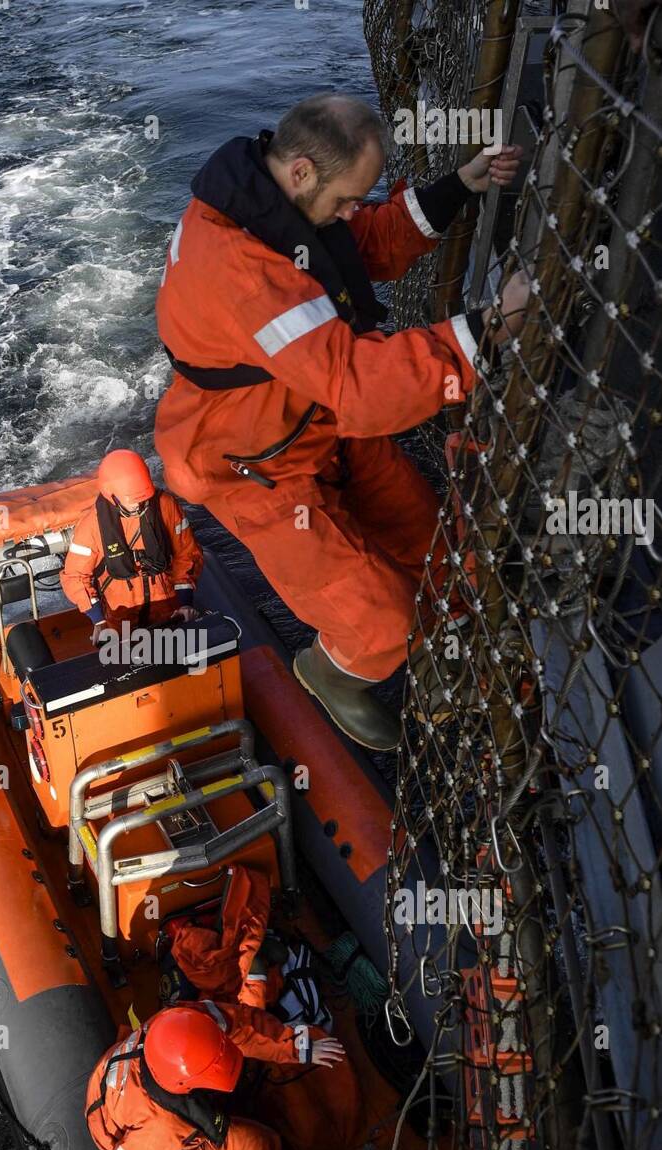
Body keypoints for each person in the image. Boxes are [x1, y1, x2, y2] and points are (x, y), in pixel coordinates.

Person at [155, 93, 530, 748]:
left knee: (439, 551)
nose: (354, 211)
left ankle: (453, 668)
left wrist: (456, 189)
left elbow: (358, 246)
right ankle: (330, 672)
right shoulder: (243, 275)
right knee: (381, 624)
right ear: (301, 171)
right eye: (348, 198)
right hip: (255, 470)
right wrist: (486, 333)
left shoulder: (272, 208)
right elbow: (357, 385)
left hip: (319, 428)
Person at [85, 998, 345, 1150]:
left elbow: (240, 1023)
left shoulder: (183, 1023)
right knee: (262, 1146)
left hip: (116, 1091)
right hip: (135, 1135)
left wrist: (296, 1047)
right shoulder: (161, 1128)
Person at [61, 449, 203, 644]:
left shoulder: (166, 506)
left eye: (142, 499)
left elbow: (186, 554)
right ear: (112, 495)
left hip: (169, 611)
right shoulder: (91, 525)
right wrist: (98, 620)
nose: (139, 505)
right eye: (132, 501)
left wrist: (185, 602)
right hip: (120, 618)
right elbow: (75, 576)